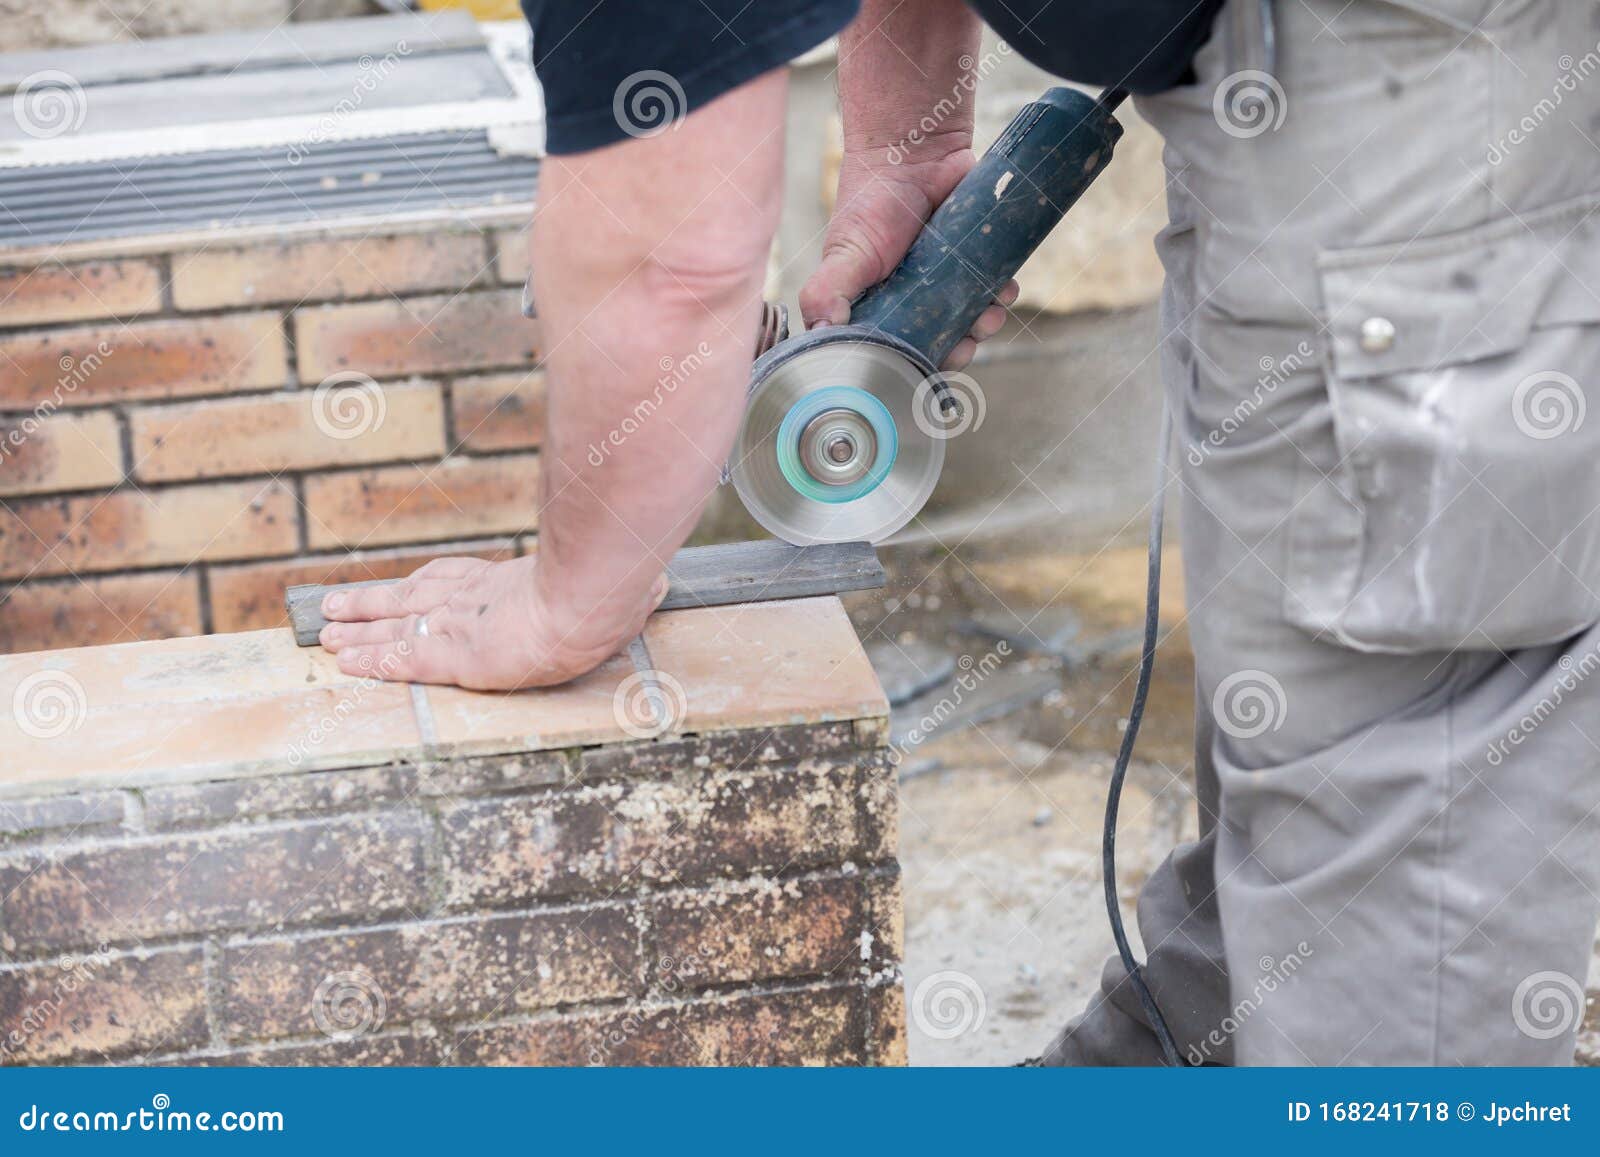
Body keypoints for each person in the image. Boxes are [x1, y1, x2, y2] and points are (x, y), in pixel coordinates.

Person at [318, 0, 1600, 1065]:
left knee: (1405, 781)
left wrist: (567, 599)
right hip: (1295, 70)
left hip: (1442, 68)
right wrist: (904, 137)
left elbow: (673, 264)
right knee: (1318, 747)